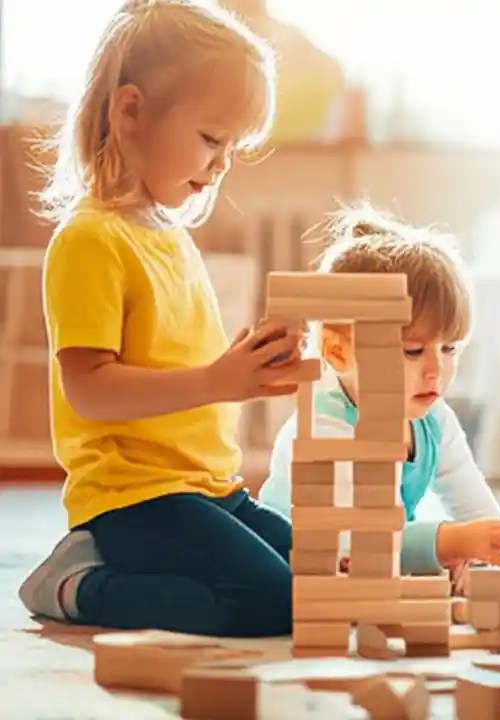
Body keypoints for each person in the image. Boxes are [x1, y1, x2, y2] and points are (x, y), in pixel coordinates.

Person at [19, 0, 301, 636]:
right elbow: (89, 390)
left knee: (323, 575)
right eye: (211, 139)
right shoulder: (90, 239)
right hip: (133, 497)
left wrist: (243, 362)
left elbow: (177, 368)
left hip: (207, 486)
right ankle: (79, 585)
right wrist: (218, 381)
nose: (222, 163)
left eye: (233, 148)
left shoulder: (167, 236)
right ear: (130, 111)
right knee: (270, 603)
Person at [258, 206, 500, 582]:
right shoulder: (324, 426)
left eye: (450, 349)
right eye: (412, 351)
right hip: (293, 569)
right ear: (338, 351)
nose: (435, 370)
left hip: (369, 565)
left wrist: (495, 549)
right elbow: (354, 538)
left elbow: (472, 504)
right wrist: (454, 542)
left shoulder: (432, 416)